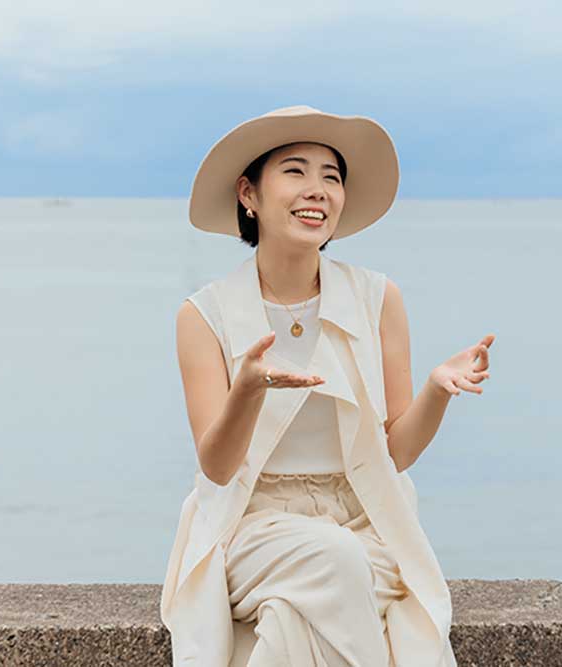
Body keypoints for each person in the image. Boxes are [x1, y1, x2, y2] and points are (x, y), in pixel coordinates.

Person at [159, 105, 495, 667]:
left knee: (297, 614)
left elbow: (396, 453)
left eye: (331, 177)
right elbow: (217, 469)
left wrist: (437, 391)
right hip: (251, 525)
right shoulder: (205, 316)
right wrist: (247, 391)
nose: (317, 190)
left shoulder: (377, 298)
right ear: (249, 193)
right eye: (295, 171)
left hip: (367, 520)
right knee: (331, 559)